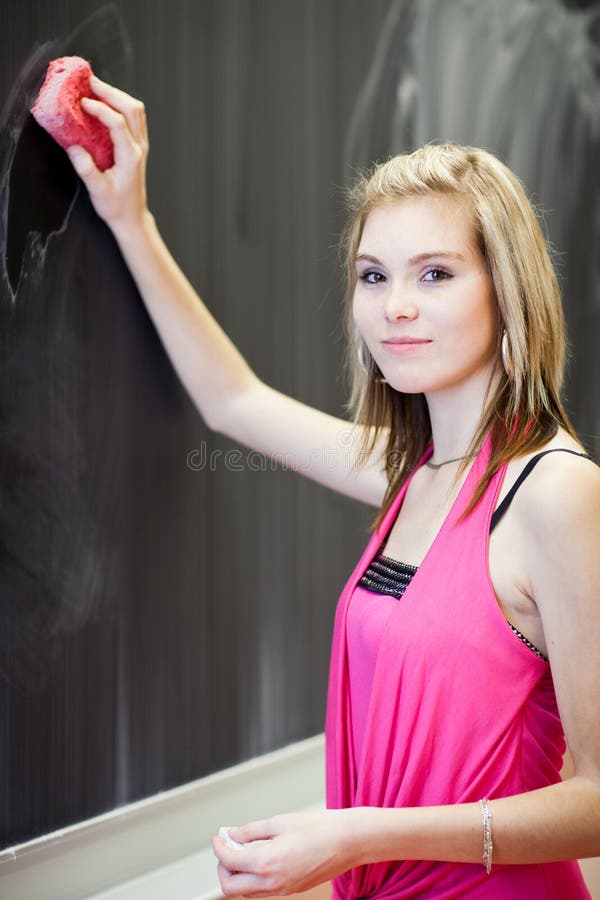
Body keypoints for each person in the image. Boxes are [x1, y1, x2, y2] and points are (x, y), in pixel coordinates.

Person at [67, 76, 600, 899]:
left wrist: (355, 836)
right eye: (373, 276)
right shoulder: (411, 471)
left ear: (508, 289)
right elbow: (232, 400)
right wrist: (129, 219)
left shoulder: (555, 491)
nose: (395, 309)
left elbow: (598, 800)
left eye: (435, 274)